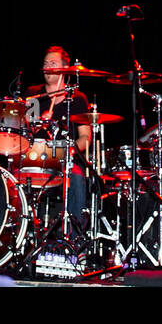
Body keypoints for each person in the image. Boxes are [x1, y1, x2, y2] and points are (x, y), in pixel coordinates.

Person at [23, 46, 92, 234]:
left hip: (65, 162)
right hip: (36, 160)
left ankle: (74, 239)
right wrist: (37, 123)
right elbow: (25, 133)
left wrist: (68, 153)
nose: (47, 67)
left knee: (77, 176)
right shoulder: (35, 96)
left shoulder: (76, 99)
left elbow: (86, 137)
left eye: (53, 64)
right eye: (45, 64)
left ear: (65, 68)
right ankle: (23, 234)